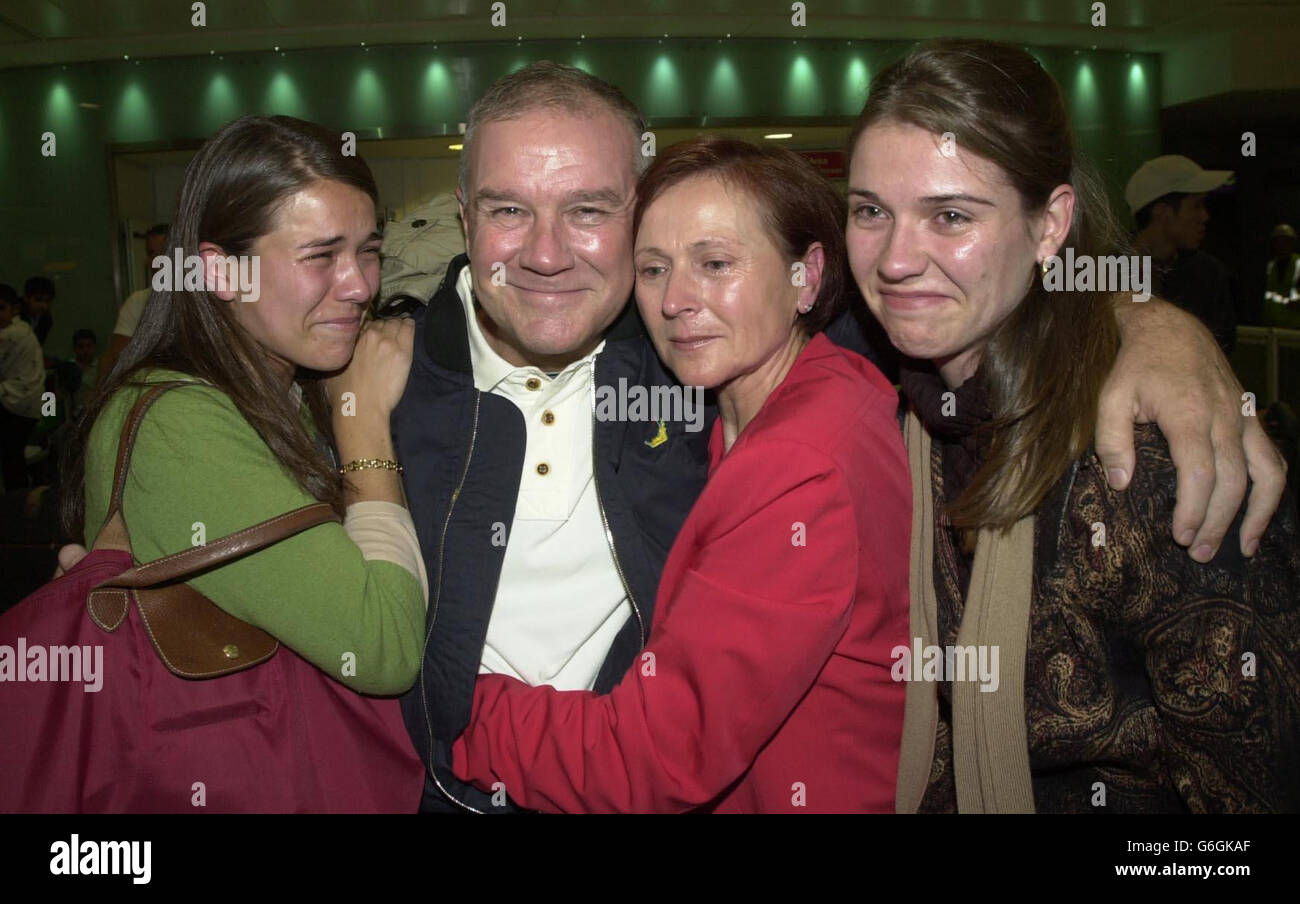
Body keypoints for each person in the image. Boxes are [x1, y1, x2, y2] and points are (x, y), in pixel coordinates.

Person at [392, 61, 1287, 814]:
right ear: (464, 218)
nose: (898, 260)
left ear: (804, 277)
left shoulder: (1128, 452)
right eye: (871, 212)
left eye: (589, 210)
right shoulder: (391, 383)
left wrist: (1148, 319)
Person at [845, 38, 1299, 813]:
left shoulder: (1148, 462)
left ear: (1051, 225)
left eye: (950, 215)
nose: (894, 259)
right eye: (869, 212)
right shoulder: (912, 412)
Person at [443, 136, 910, 812]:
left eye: (715, 263)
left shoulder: (798, 465)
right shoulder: (815, 391)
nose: (676, 301)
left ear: (805, 275)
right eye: (654, 269)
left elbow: (650, 759)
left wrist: (452, 702)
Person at [59, 114, 429, 811]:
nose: (358, 285)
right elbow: (384, 645)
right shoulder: (180, 423)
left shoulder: (283, 383)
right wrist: (364, 424)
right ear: (219, 271)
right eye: (321, 256)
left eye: (368, 250)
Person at [1128, 154, 1237, 354]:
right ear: (1162, 213)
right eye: (1196, 206)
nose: (1205, 216)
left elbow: (1223, 352)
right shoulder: (1105, 276)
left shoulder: (1208, 274)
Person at [99, 224, 169, 385]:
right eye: (150, 254)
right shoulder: (138, 302)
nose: (150, 262)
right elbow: (115, 359)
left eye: (157, 254)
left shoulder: (204, 302)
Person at [0, 283, 44, 490]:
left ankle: (17, 506)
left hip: (19, 403)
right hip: (29, 404)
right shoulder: (22, 328)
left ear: (15, 309)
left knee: (12, 459)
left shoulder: (11, 335)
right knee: (13, 457)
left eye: (1, 308)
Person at [1263, 223, 1300, 329]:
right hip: (1273, 326)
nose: (1281, 244)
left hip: (1295, 326)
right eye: (1278, 241)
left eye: (1285, 241)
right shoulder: (1271, 266)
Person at [20, 276, 55, 347]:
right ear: (26, 298)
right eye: (38, 300)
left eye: (47, 301)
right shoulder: (14, 316)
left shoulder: (46, 319)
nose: (44, 305)